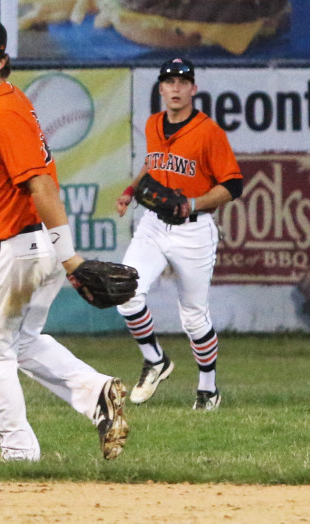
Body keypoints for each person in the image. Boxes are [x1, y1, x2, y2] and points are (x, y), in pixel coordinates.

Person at [0, 14, 129, 462]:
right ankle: (97, 394)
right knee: (22, 343)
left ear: (0, 61)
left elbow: (41, 185)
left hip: (20, 248)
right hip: (27, 243)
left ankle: (18, 452)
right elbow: (7, 181)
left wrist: (71, 260)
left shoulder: (4, 113)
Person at [115, 57, 241, 411]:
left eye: (182, 82)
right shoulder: (154, 123)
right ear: (161, 88)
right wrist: (131, 189)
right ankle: (155, 360)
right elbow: (152, 162)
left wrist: (193, 203)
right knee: (126, 290)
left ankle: (208, 388)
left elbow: (233, 185)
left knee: (194, 317)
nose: (175, 88)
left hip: (194, 231)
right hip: (154, 225)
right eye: (169, 81)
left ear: (193, 89)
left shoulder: (208, 132)